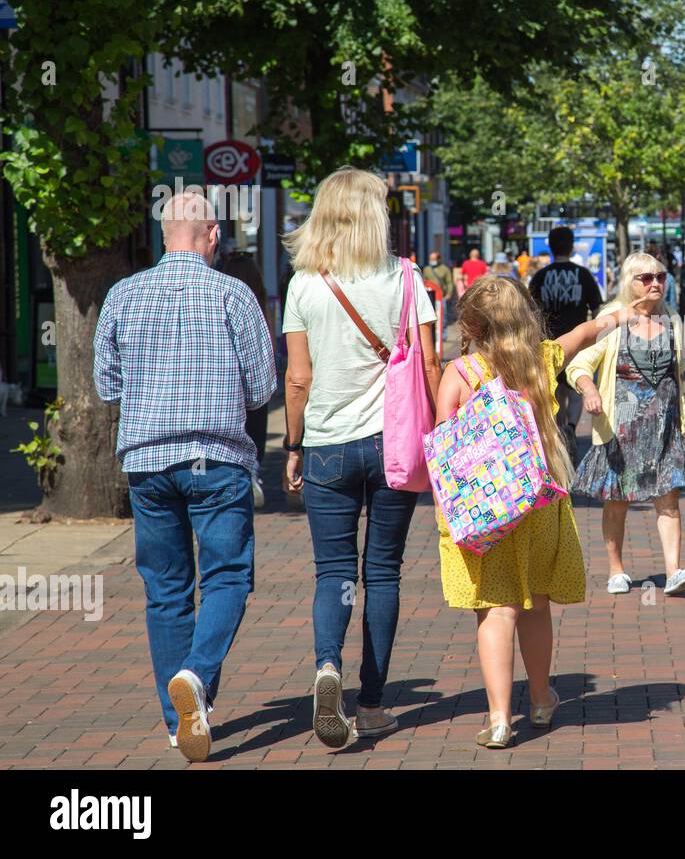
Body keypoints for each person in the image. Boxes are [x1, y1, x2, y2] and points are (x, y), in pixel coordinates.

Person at [93, 191, 276, 762]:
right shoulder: (233, 295)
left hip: (148, 464)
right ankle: (197, 677)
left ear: (163, 232)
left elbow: (107, 385)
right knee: (226, 579)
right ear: (212, 234)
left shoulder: (123, 294)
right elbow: (263, 387)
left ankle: (178, 723)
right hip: (217, 460)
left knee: (166, 590)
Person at [435, 276, 653, 749]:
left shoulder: (459, 373)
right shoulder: (539, 362)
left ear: (470, 323)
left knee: (497, 610)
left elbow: (444, 445)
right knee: (534, 603)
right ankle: (539, 699)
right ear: (525, 317)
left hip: (485, 512)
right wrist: (627, 312)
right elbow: (588, 331)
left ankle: (498, 718)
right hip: (535, 504)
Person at [281, 167, 441, 750]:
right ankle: (372, 704)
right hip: (395, 443)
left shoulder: (304, 283)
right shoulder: (405, 278)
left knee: (334, 572)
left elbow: (297, 379)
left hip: (327, 444)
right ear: (376, 215)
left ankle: (328, 670)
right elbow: (428, 366)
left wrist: (293, 446)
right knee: (383, 573)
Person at [567, 253, 685, 598]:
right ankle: (616, 570)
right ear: (630, 281)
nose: (655, 283)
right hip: (620, 426)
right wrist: (590, 389)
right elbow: (579, 364)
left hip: (663, 428)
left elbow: (677, 370)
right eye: (646, 278)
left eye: (660, 276)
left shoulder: (672, 318)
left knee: (669, 499)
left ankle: (674, 571)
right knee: (617, 500)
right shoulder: (612, 318)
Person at [530, 226, 606, 464]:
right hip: (579, 343)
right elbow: (597, 309)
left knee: (554, 390)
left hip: (548, 343)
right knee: (574, 388)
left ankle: (560, 428)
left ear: (550, 247)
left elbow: (530, 313)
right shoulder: (583, 275)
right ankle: (571, 427)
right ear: (571, 246)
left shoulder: (540, 277)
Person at [217, 250, 273, 508]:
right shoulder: (259, 305)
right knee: (255, 425)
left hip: (224, 383)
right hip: (252, 381)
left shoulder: (219, 297)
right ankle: (251, 470)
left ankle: (238, 471)